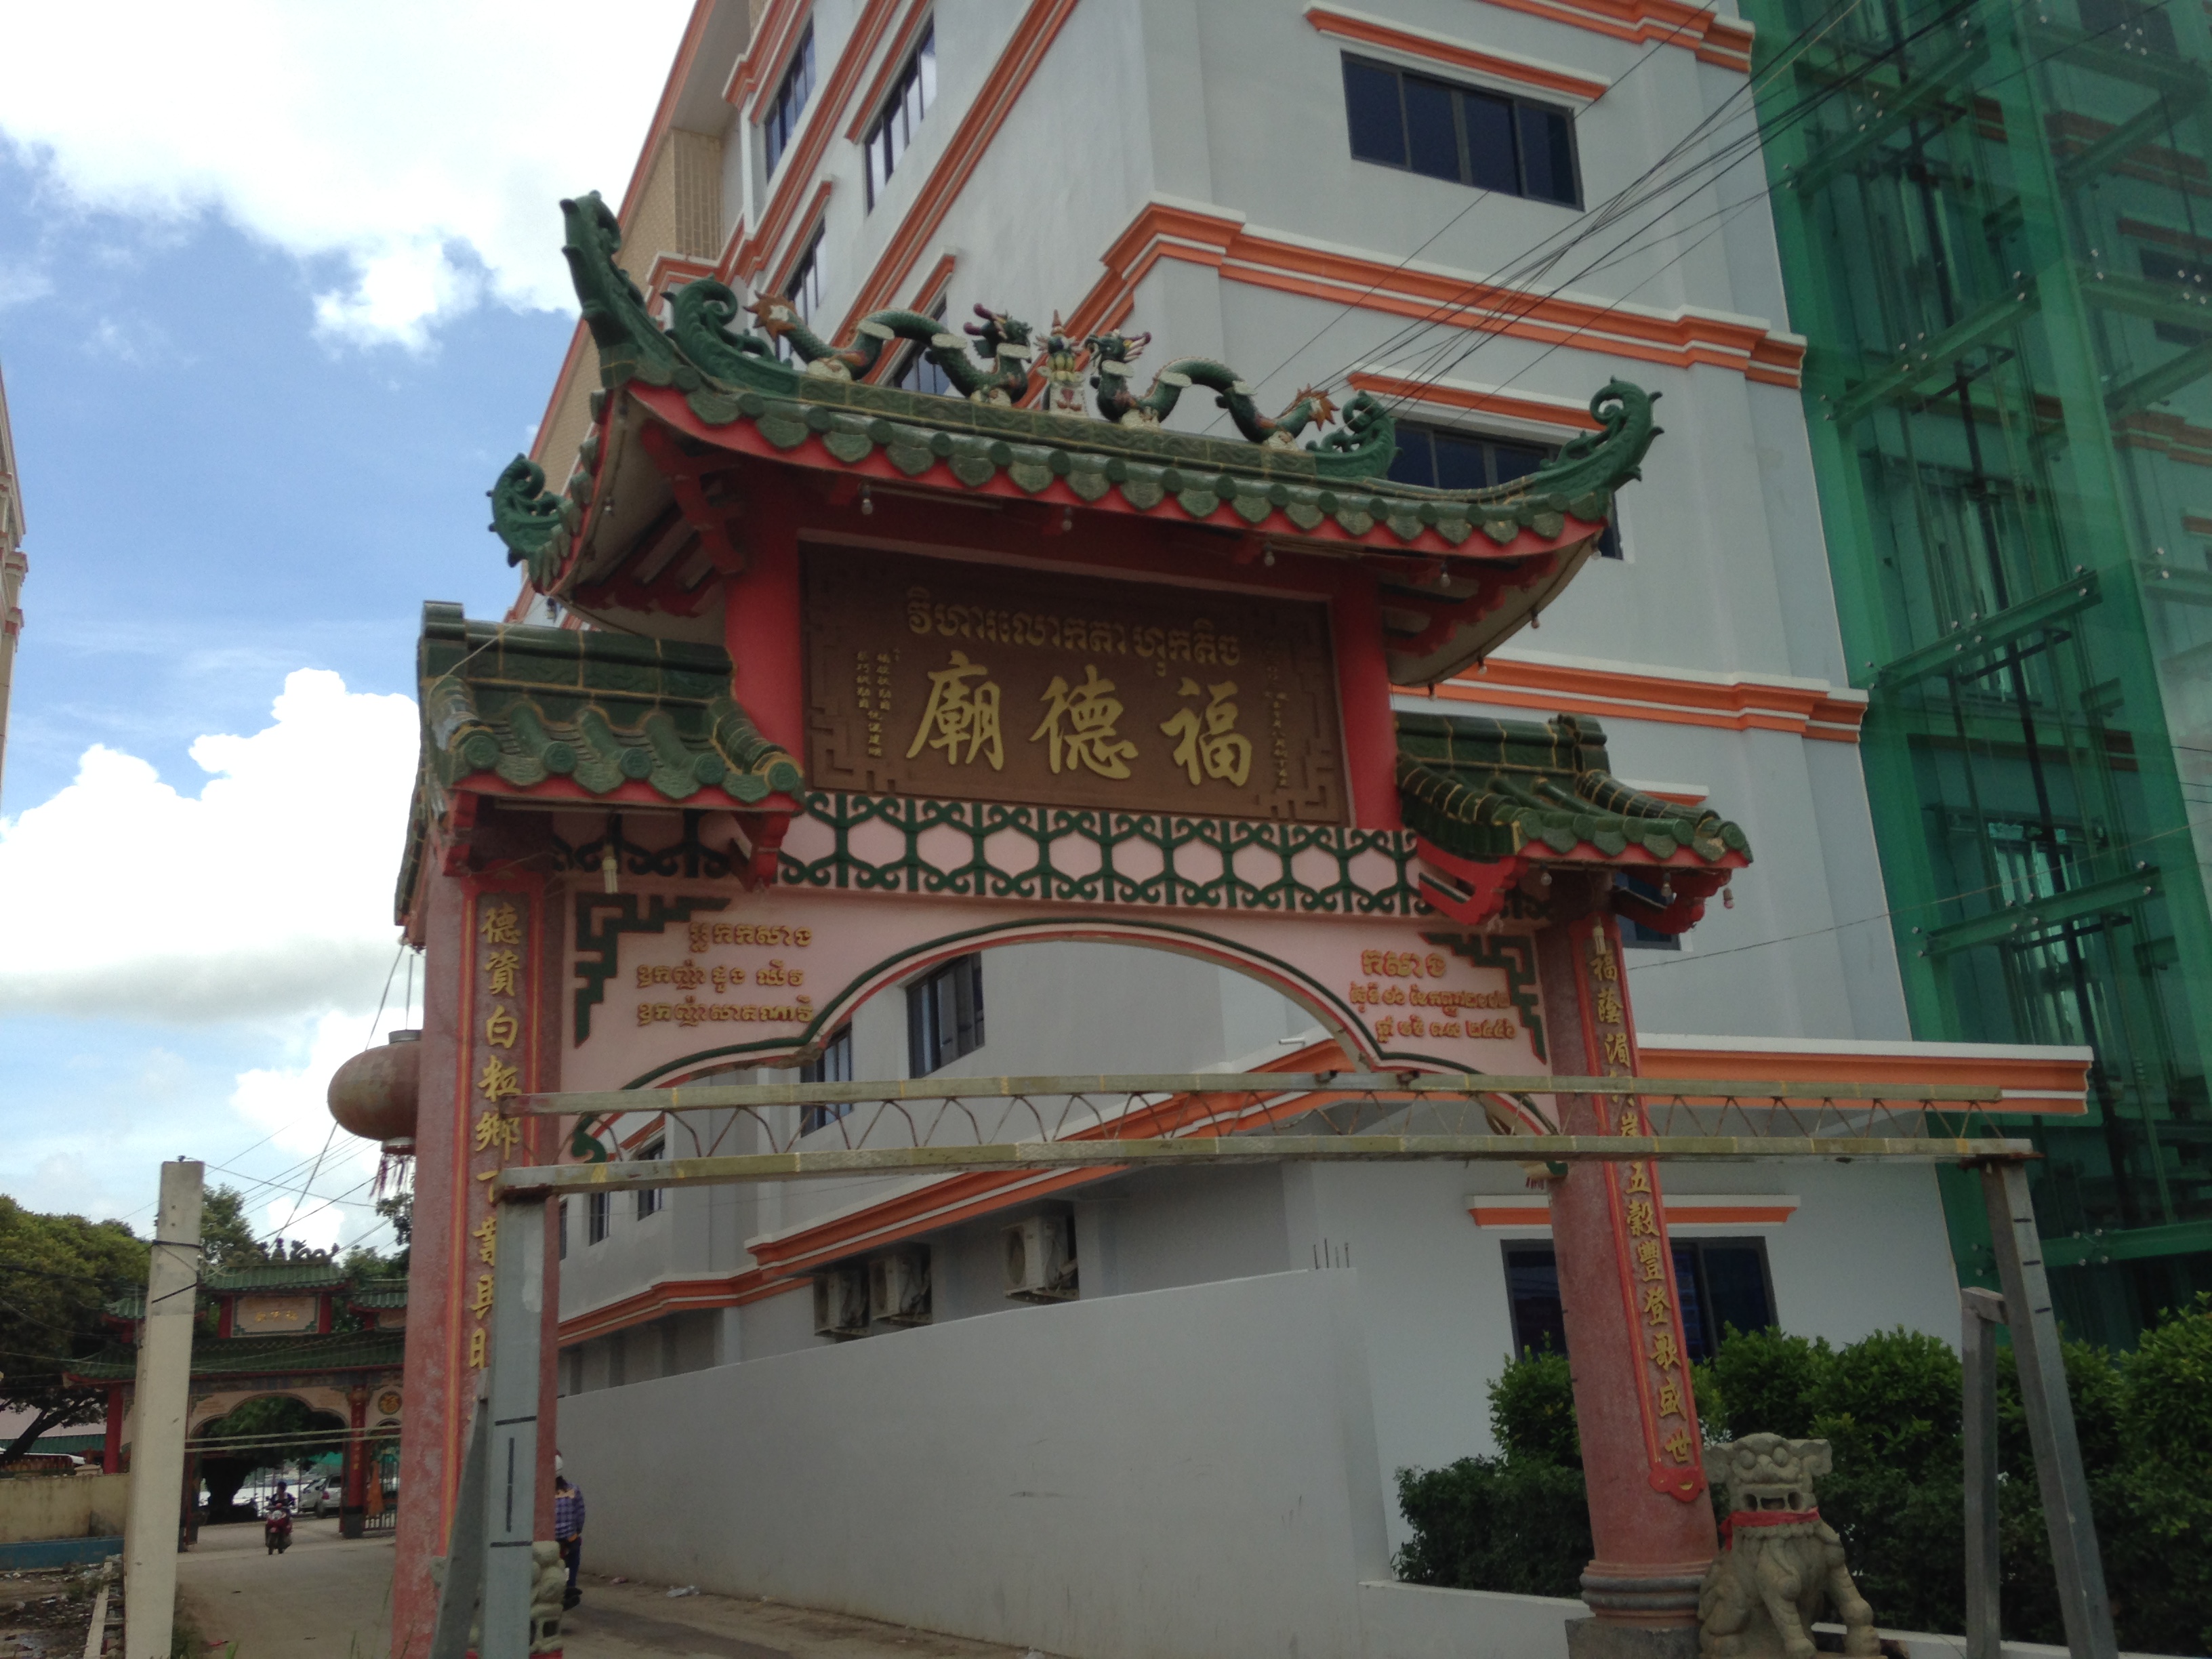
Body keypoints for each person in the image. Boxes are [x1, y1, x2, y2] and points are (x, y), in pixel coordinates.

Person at [553, 1473, 585, 1609]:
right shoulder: (574, 1489)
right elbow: (580, 1514)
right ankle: (570, 1586)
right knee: (573, 1560)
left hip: (551, 1541)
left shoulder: (541, 1490)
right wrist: (576, 1531)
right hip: (570, 1539)